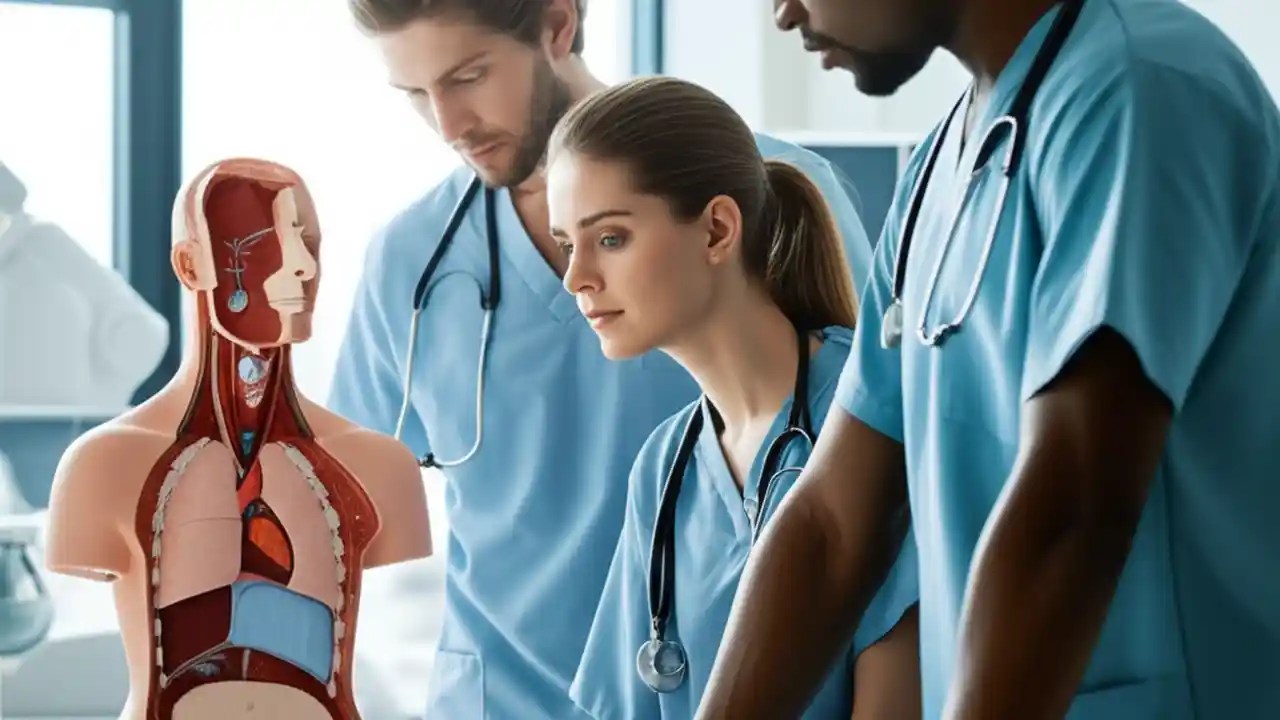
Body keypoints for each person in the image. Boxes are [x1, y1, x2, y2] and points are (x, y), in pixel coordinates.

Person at [693, 0, 1280, 718]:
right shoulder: (941, 170)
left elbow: (1076, 499)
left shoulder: (1140, 90)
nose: (784, 13)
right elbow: (832, 525)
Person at [331, 2, 877, 717]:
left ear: (558, 26)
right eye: (415, 94)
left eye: (469, 76)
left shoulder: (769, 195)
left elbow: (877, 458)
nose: (449, 124)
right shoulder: (411, 263)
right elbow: (338, 509)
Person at [545, 76, 922, 720]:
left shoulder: (875, 422)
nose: (576, 276)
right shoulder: (664, 470)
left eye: (609, 238)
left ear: (717, 229)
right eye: (566, 245)